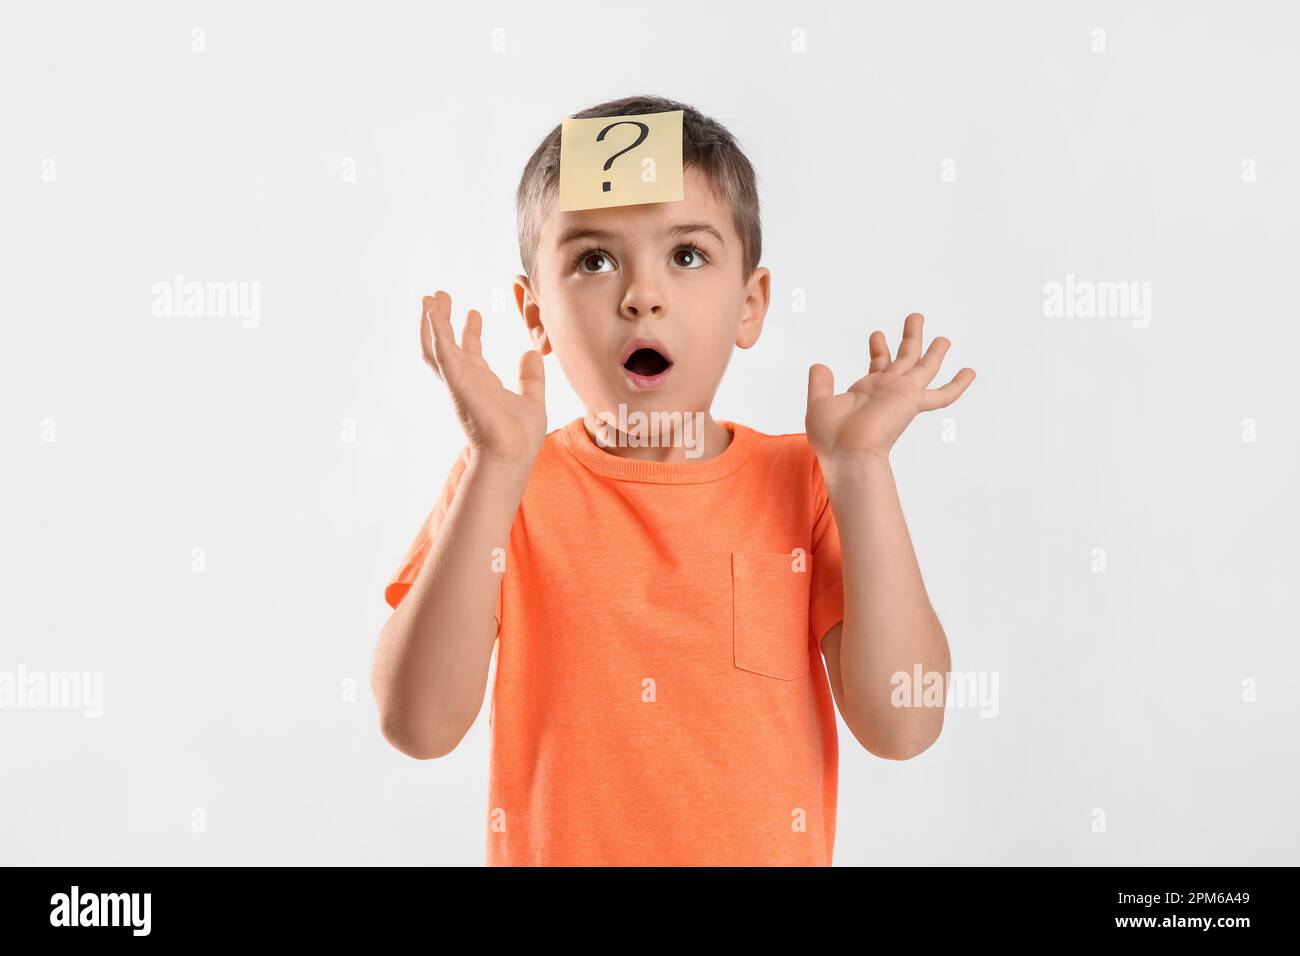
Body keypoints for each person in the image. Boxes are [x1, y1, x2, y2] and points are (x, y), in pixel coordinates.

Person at [370, 94, 976, 866]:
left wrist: (861, 471)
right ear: (535, 317)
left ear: (749, 305)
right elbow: (416, 725)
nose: (641, 294)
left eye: (686, 255)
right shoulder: (507, 483)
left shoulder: (810, 483)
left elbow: (906, 724)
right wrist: (493, 466)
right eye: (594, 259)